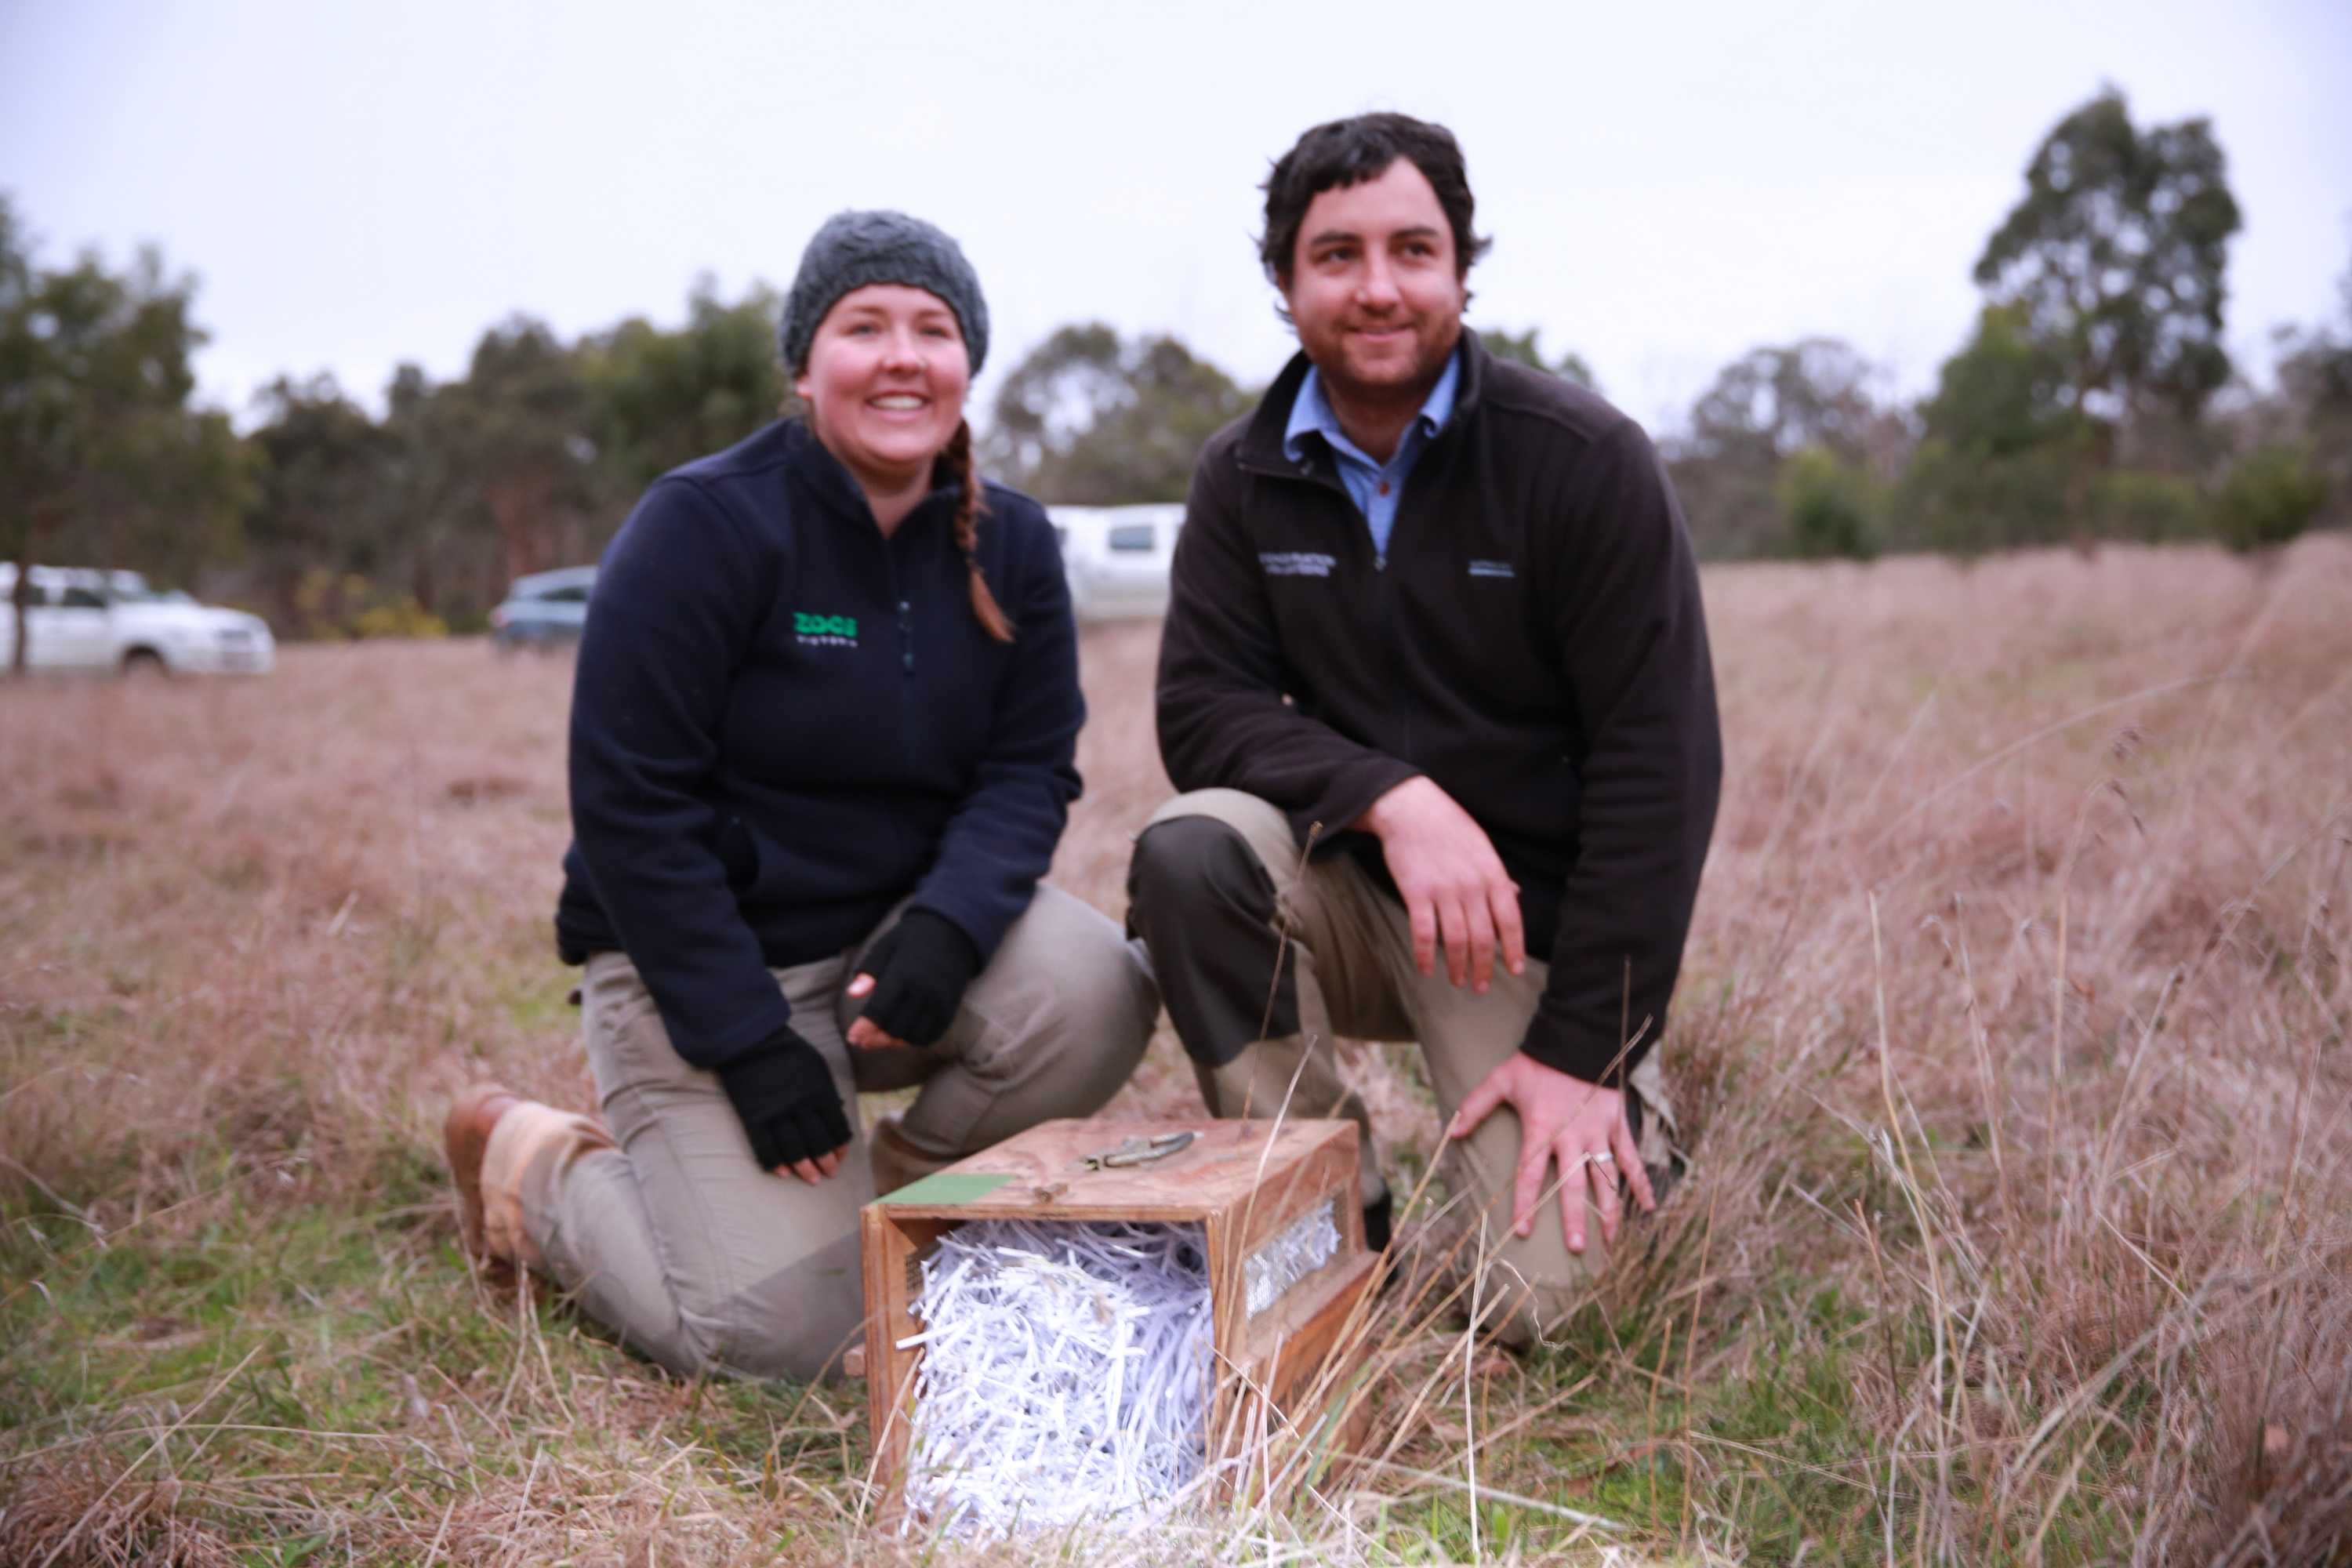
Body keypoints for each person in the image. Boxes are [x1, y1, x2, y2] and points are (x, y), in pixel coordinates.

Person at [445, 211, 1157, 1383]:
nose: (900, 356)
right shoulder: (705, 525)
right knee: (781, 1342)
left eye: (932, 329)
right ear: (804, 361)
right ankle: (537, 1167)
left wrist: (949, 924)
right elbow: (632, 807)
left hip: (887, 946)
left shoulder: (1014, 545)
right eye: (861, 324)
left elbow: (1028, 772)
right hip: (700, 971)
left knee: (1095, 990)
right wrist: (747, 1038)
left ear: (966, 362)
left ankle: (868, 1219)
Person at [1126, 114, 1722, 1344]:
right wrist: (1393, 797)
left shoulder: (1582, 462)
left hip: (1527, 941)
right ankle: (1328, 1212)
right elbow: (1201, 707)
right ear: (1287, 287)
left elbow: (1660, 774)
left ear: (1462, 268)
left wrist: (1583, 1050)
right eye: (1336, 255)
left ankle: (1611, 1117)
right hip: (1350, 894)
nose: (1379, 287)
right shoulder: (1241, 475)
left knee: (1550, 1313)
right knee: (1193, 851)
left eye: (1413, 249)